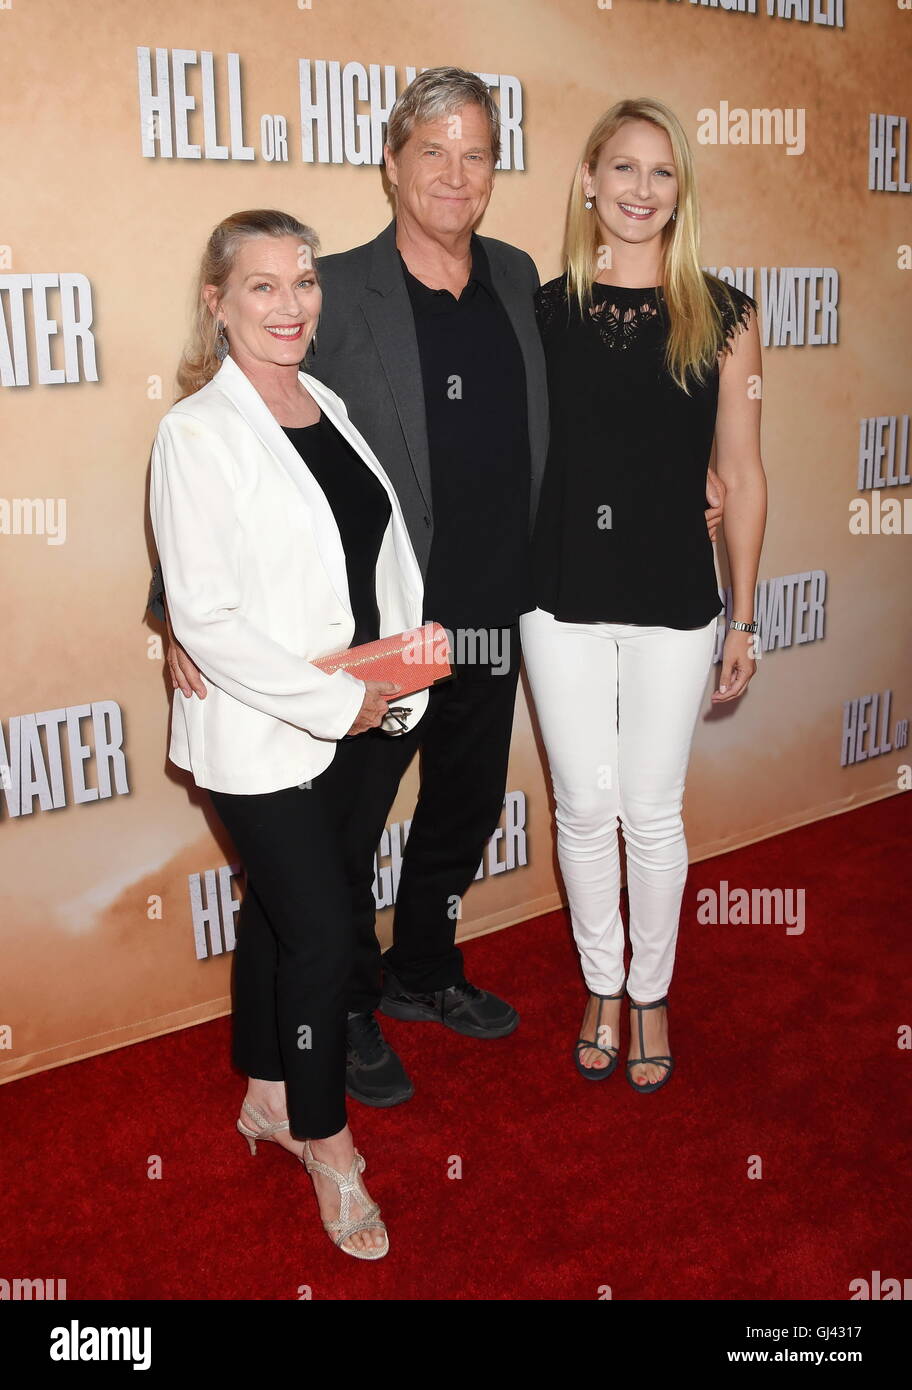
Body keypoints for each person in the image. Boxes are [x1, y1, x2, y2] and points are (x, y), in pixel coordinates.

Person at [151, 68, 727, 1109]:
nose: (456, 175)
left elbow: (619, 411)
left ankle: (424, 968)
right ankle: (351, 1007)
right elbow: (239, 408)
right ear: (391, 161)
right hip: (388, 633)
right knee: (344, 834)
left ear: (495, 173)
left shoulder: (521, 281)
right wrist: (172, 608)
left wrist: (697, 477)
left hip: (507, 609)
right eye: (434, 152)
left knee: (459, 813)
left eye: (477, 155)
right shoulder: (334, 288)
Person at [148, 209, 430, 1258]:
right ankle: (328, 1142)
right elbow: (208, 618)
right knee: (320, 932)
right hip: (266, 733)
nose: (290, 303)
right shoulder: (194, 433)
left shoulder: (330, 402)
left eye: (303, 281)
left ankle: (266, 1091)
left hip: (364, 711)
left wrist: (398, 677)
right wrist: (334, 702)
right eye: (260, 286)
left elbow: (380, 553)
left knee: (281, 912)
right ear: (217, 304)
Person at [520, 98, 767, 1092]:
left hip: (674, 591)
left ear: (682, 192)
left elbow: (742, 474)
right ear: (588, 180)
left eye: (661, 173)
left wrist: (744, 612)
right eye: (621, 168)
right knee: (584, 804)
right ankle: (602, 983)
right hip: (556, 591)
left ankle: (652, 988)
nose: (639, 189)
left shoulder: (727, 313)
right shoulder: (541, 309)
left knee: (652, 812)